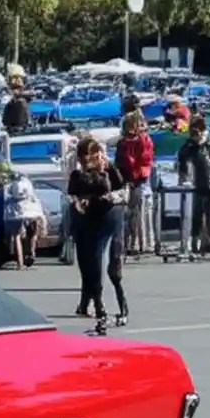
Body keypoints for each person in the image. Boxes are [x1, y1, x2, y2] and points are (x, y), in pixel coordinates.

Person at [68, 138, 129, 327]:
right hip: (87, 220)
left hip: (109, 217)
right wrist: (80, 201)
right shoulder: (78, 174)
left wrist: (107, 196)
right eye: (86, 153)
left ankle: (119, 305)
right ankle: (90, 302)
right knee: (88, 262)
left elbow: (123, 192)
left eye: (94, 152)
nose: (91, 157)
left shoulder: (110, 170)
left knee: (111, 263)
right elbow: (73, 194)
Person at [115, 111, 154, 255]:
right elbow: (119, 162)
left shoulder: (144, 140)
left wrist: (135, 176)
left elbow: (145, 160)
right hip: (127, 180)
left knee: (140, 211)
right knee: (129, 213)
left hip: (140, 179)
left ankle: (144, 243)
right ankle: (131, 243)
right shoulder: (122, 142)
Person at [177, 116, 210, 256]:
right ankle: (194, 243)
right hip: (195, 185)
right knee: (196, 214)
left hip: (209, 183)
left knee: (209, 214)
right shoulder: (189, 146)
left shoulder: (208, 143)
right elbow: (182, 162)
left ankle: (208, 241)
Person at [4, 172, 46, 269]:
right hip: (28, 210)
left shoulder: (10, 185)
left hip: (15, 212)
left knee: (16, 236)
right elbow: (32, 195)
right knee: (33, 229)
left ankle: (20, 263)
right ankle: (30, 252)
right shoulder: (27, 183)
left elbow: (6, 196)